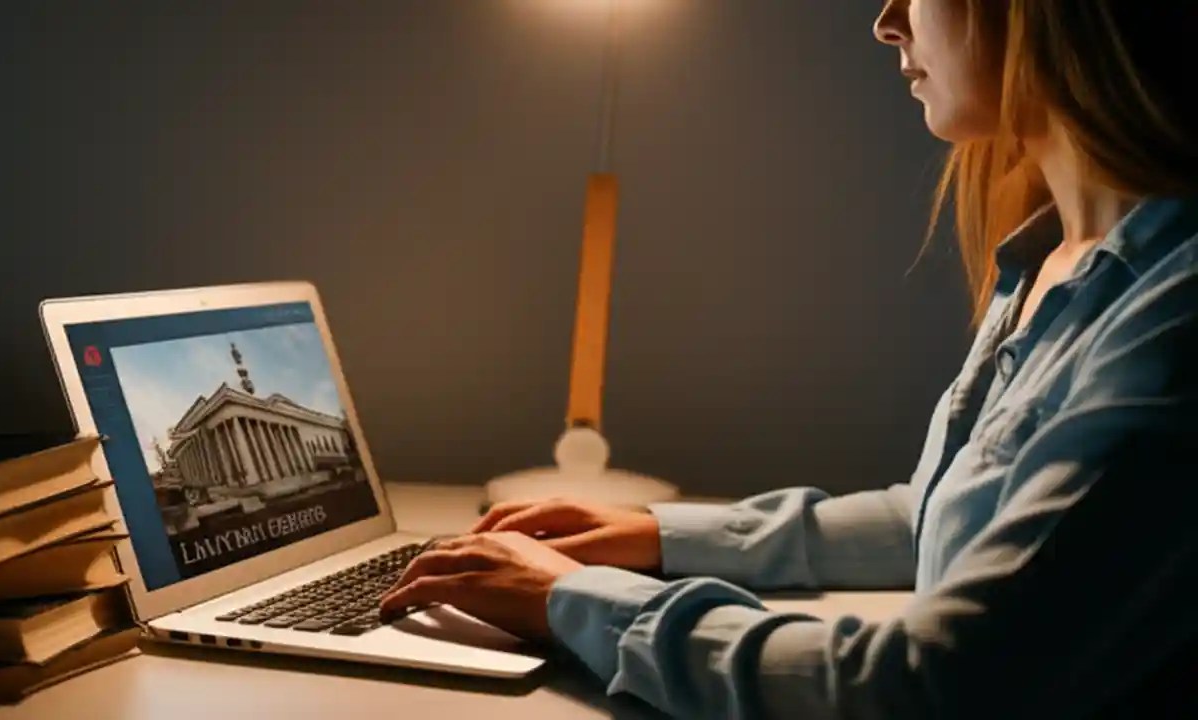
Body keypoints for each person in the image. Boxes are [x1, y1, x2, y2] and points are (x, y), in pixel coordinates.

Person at [380, 1, 1198, 716]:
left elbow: (934, 686)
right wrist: (654, 538)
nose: (887, 22)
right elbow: (933, 520)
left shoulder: (1175, 318)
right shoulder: (1057, 258)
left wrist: (568, 599)